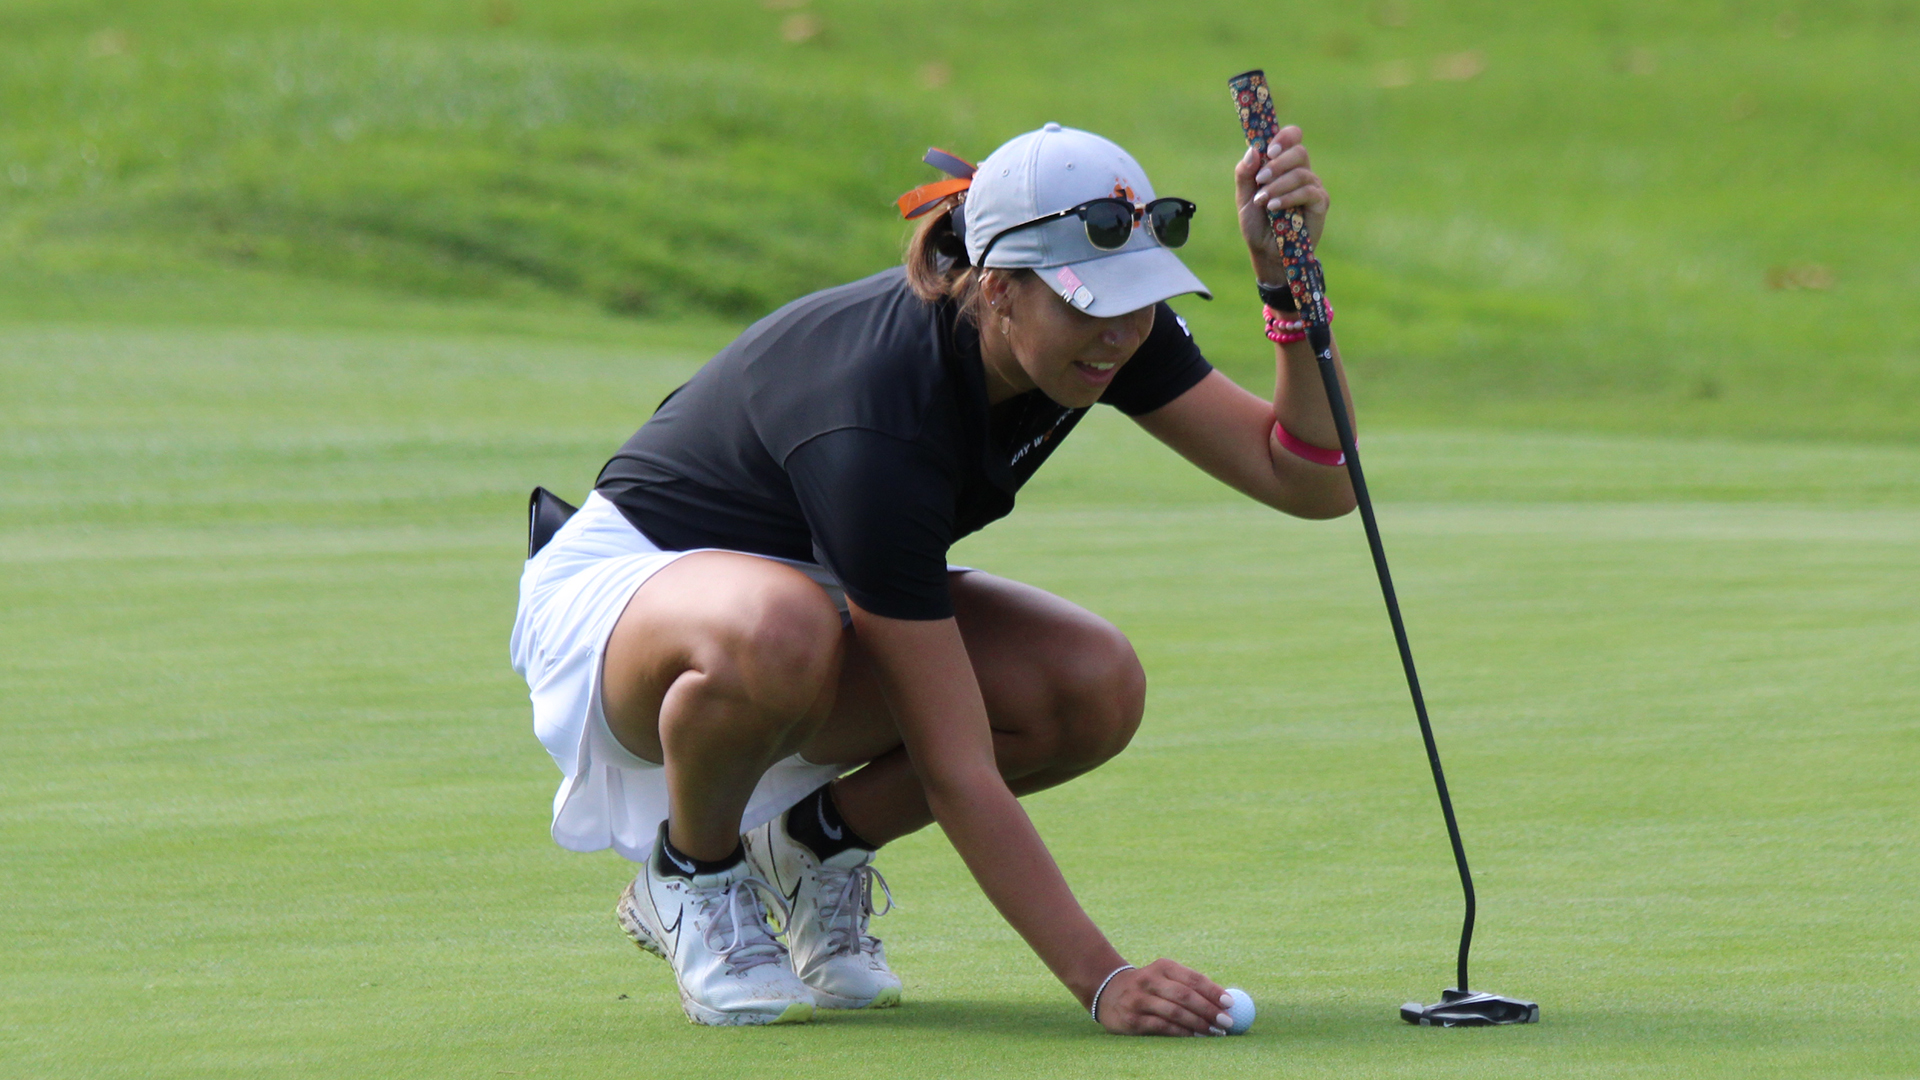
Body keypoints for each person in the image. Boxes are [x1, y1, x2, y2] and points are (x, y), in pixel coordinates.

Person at [509, 120, 1354, 1033]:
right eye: (1087, 305)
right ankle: (694, 873)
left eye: (1137, 301)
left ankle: (807, 849)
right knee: (775, 629)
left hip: (816, 594)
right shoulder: (876, 416)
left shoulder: (1110, 327)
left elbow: (1309, 480)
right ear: (997, 291)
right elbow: (957, 767)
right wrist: (1103, 981)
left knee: (1089, 686)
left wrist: (1286, 283)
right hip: (634, 604)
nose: (1117, 332)